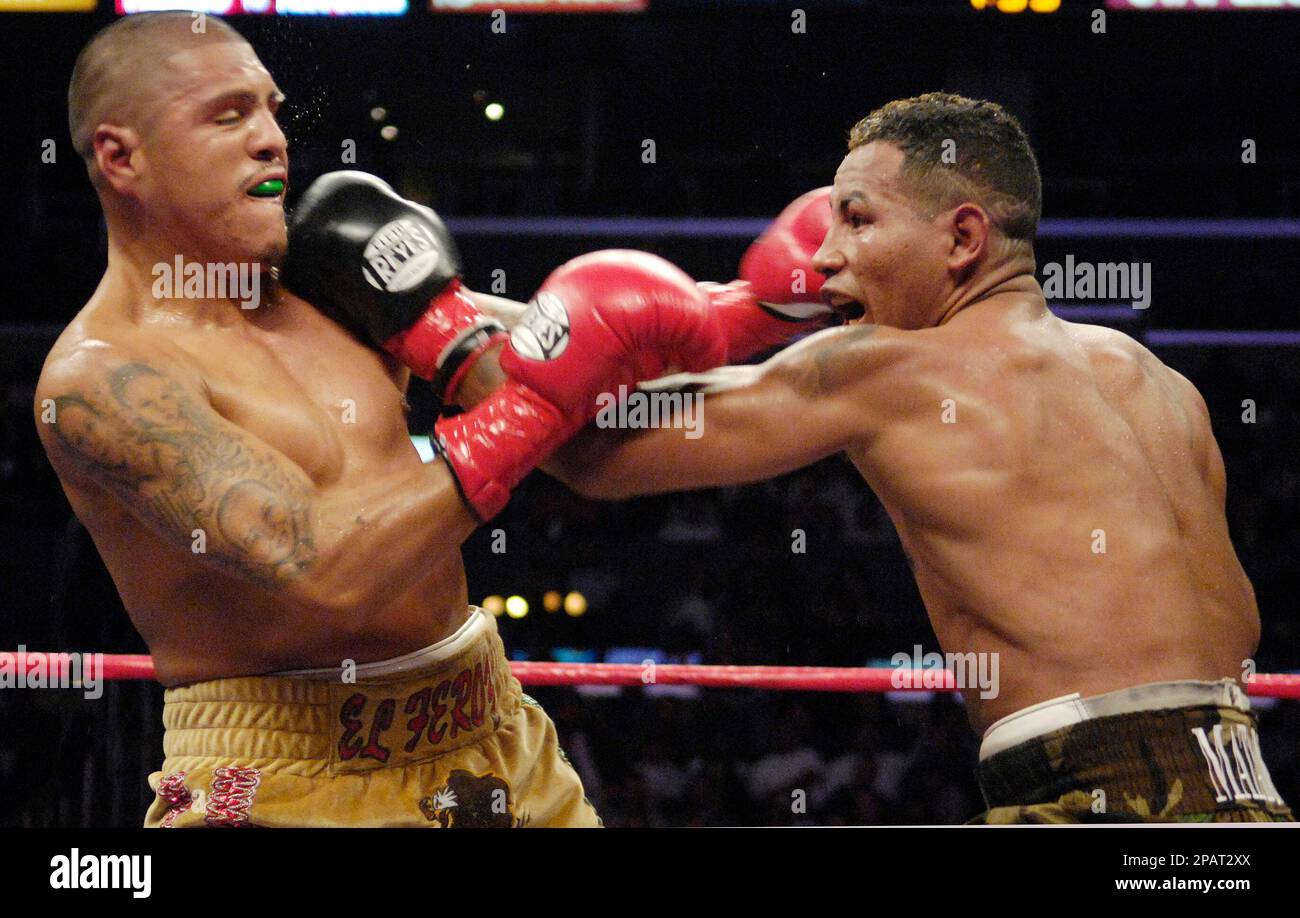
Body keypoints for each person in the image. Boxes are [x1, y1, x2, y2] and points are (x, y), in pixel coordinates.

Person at [36, 13, 823, 828]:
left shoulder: (330, 271)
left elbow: (581, 363)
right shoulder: (104, 380)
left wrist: (763, 306)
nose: (272, 138)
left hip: (486, 728)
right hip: (285, 774)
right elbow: (329, 568)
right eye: (228, 116)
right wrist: (536, 405)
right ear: (121, 157)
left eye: (270, 109)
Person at [548, 93, 1293, 823]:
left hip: (1103, 807)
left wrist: (447, 316)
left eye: (858, 218)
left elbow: (599, 452)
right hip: (1247, 805)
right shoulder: (1159, 383)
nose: (824, 254)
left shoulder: (891, 368)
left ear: (964, 239)